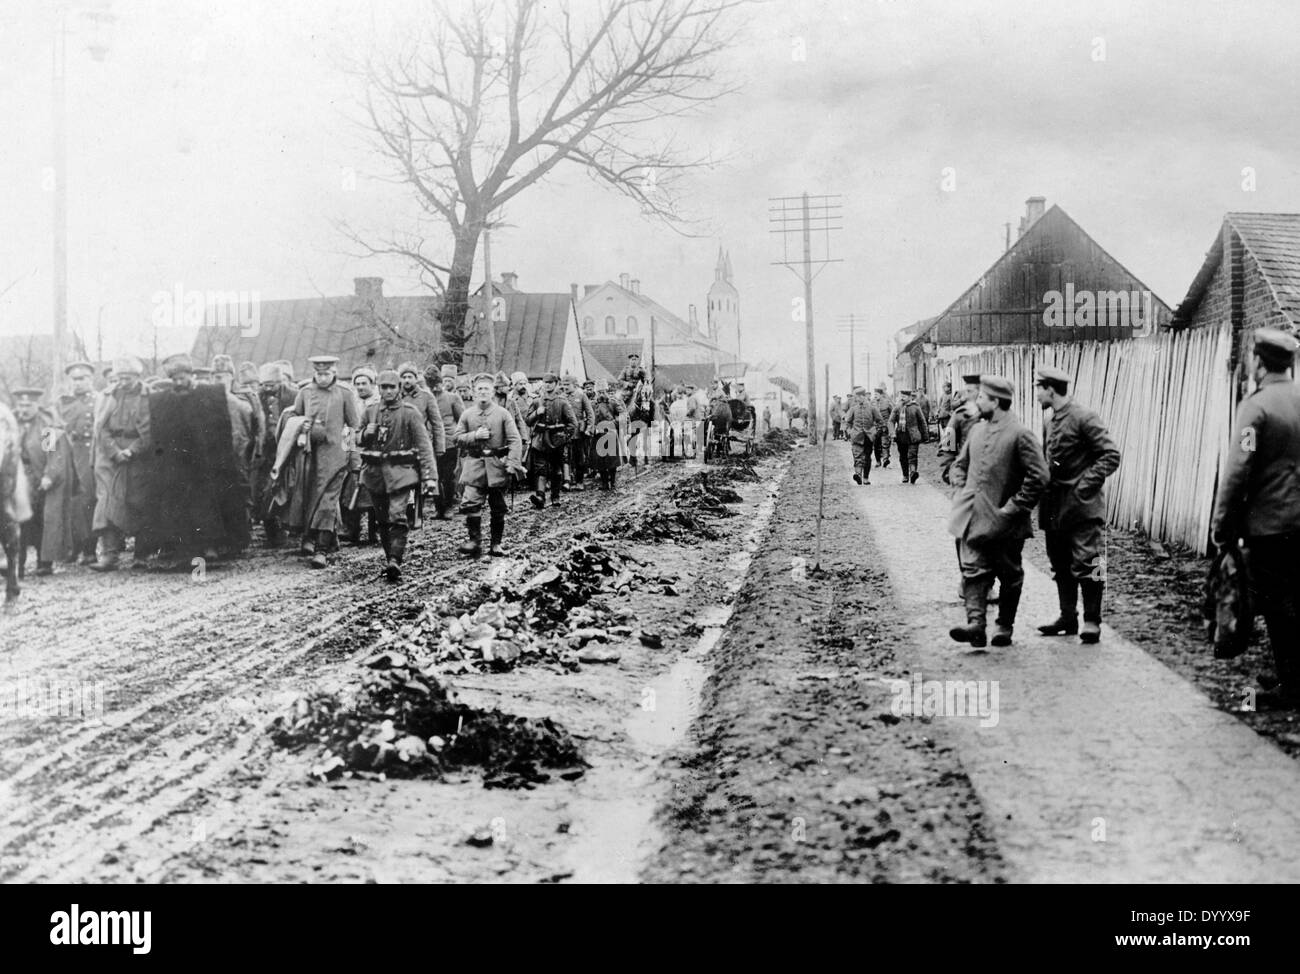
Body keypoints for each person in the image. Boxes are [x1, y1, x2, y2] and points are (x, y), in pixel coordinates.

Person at [1211, 328, 1300, 704]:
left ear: (1259, 363)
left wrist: (1222, 524)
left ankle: (1291, 687)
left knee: (1279, 606)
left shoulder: (1256, 406)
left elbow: (1237, 470)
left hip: (1271, 525)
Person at [947, 375, 1049, 648]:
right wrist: (960, 493)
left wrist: (1014, 507)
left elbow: (1039, 476)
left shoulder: (1020, 434)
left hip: (1006, 522)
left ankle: (1004, 625)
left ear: (995, 401)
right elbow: (959, 465)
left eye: (981, 397)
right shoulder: (977, 430)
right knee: (973, 571)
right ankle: (976, 625)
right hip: (974, 517)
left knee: (1009, 574)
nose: (976, 401)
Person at [1033, 365, 1122, 643]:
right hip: (1056, 506)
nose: (1036, 394)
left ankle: (1092, 621)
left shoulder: (1084, 417)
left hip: (1083, 507)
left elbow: (1110, 455)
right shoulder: (1050, 421)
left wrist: (1085, 485)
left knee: (1090, 561)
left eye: (1038, 388)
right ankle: (1067, 617)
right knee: (1060, 563)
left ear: (1049, 389)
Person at [358, 370, 437, 581]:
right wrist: (365, 434)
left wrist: (430, 476)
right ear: (378, 388)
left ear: (399, 388)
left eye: (392, 387)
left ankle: (395, 560)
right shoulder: (370, 412)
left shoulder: (410, 413)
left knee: (397, 515)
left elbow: (424, 446)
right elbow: (353, 440)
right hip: (375, 474)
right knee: (382, 519)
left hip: (401, 473)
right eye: (383, 387)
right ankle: (389, 559)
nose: (388, 391)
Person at [293, 355, 362, 568]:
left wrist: (352, 455)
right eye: (319, 373)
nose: (322, 378)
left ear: (334, 372)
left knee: (327, 503)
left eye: (327, 373)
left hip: (336, 458)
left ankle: (321, 550)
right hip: (309, 457)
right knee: (310, 500)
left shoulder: (344, 394)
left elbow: (353, 427)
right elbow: (293, 418)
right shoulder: (304, 393)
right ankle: (322, 537)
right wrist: (300, 427)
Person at [90, 357, 152, 572]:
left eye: (128, 378)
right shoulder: (107, 396)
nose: (123, 382)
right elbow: (101, 427)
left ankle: (141, 555)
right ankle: (109, 556)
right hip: (109, 455)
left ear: (138, 377)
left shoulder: (149, 396)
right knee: (107, 502)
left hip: (139, 455)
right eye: (119, 377)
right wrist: (115, 452)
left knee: (139, 501)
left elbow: (150, 430)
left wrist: (132, 451)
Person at [453, 373, 524, 558]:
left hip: (497, 465)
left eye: (486, 388)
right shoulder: (467, 414)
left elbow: (515, 440)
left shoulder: (502, 413)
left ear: (492, 392)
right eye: (479, 389)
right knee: (471, 503)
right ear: (474, 393)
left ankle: (496, 544)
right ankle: (475, 542)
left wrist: (513, 463)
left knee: (497, 506)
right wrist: (474, 436)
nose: (483, 392)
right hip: (474, 464)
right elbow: (456, 438)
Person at [12, 388, 75, 576]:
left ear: (37, 405)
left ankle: (44, 562)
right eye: (21, 405)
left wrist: (49, 476)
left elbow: (53, 456)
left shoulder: (46, 426)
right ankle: (17, 564)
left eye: (28, 405)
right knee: (17, 521)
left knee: (41, 520)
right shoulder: (11, 423)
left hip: (39, 476)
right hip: (17, 478)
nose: (24, 409)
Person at [58, 361, 99, 564]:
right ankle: (71, 548)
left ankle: (89, 549)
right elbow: (48, 430)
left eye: (82, 378)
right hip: (64, 455)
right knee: (67, 501)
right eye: (74, 379)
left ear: (91, 379)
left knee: (88, 500)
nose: (78, 383)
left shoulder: (100, 400)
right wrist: (47, 456)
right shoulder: (61, 403)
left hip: (89, 453)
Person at [525, 372, 577, 508]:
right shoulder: (537, 401)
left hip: (556, 440)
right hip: (540, 440)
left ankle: (555, 496)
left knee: (556, 469)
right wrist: (537, 413)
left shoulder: (562, 402)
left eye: (550, 383)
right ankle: (540, 496)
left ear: (556, 384)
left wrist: (565, 437)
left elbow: (573, 423)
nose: (547, 385)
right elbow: (528, 421)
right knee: (540, 469)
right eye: (545, 382)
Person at [428, 366, 464, 519]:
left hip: (449, 443)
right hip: (430, 444)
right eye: (431, 383)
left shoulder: (452, 398)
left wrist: (459, 438)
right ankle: (439, 507)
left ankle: (448, 506)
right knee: (434, 477)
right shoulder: (425, 398)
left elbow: (462, 419)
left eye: (437, 382)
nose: (435, 386)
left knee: (448, 477)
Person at [938, 373, 983, 485]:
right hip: (967, 472)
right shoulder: (960, 415)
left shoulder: (995, 414)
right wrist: (951, 470)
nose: (968, 396)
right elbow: (947, 445)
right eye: (967, 391)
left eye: (971, 392)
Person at [842, 386, 883, 485]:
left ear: (863, 396)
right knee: (857, 456)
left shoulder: (872, 408)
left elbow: (880, 421)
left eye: (858, 397)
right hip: (856, 436)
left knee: (867, 457)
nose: (857, 399)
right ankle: (858, 475)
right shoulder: (853, 409)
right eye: (856, 397)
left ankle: (866, 478)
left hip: (868, 437)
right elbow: (847, 422)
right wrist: (850, 432)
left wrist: (876, 432)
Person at [560, 374, 595, 488]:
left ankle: (579, 481)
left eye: (567, 385)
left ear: (574, 385)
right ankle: (567, 480)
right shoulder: (561, 397)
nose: (565, 387)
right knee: (565, 457)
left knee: (579, 457)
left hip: (578, 432)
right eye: (563, 385)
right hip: (564, 431)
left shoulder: (581, 396)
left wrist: (589, 428)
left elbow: (590, 414)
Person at [890, 388, 929, 484]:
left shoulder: (915, 407)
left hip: (913, 435)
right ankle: (905, 475)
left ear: (909, 397)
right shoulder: (897, 407)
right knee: (903, 456)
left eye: (904, 396)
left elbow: (922, 421)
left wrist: (925, 436)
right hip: (901, 436)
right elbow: (891, 421)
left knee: (912, 455)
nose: (902, 398)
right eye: (901, 396)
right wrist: (892, 433)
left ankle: (913, 473)